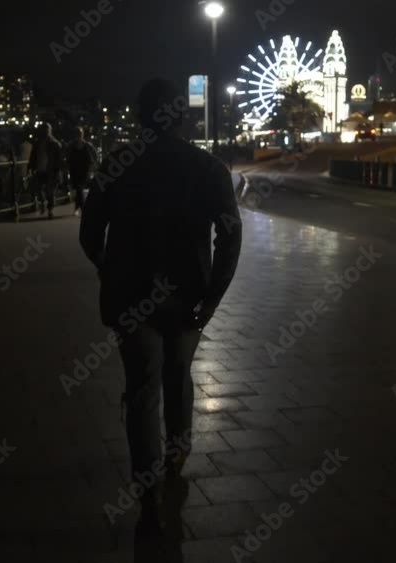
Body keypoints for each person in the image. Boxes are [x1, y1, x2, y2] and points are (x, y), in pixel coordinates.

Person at [79, 78, 242, 537]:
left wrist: (107, 268)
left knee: (142, 389)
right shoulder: (208, 168)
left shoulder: (116, 165)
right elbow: (231, 236)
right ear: (183, 117)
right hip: (188, 296)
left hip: (131, 297)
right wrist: (211, 298)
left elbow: (90, 233)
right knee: (178, 372)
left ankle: (146, 490)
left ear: (138, 116)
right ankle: (179, 449)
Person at [28, 122, 64, 219]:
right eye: (44, 130)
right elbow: (32, 157)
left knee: (50, 191)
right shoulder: (37, 143)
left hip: (50, 171)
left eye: (47, 130)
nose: (45, 132)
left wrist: (58, 170)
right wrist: (30, 167)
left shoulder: (55, 144)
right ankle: (43, 203)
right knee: (38, 188)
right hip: (40, 169)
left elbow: (59, 159)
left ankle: (50, 209)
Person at [66, 127, 98, 217]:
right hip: (74, 170)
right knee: (78, 189)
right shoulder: (71, 146)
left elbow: (95, 155)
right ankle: (79, 208)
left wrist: (93, 165)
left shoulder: (87, 145)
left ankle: (82, 209)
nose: (78, 135)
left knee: (80, 189)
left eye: (80, 133)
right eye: (77, 133)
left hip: (85, 171)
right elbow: (67, 157)